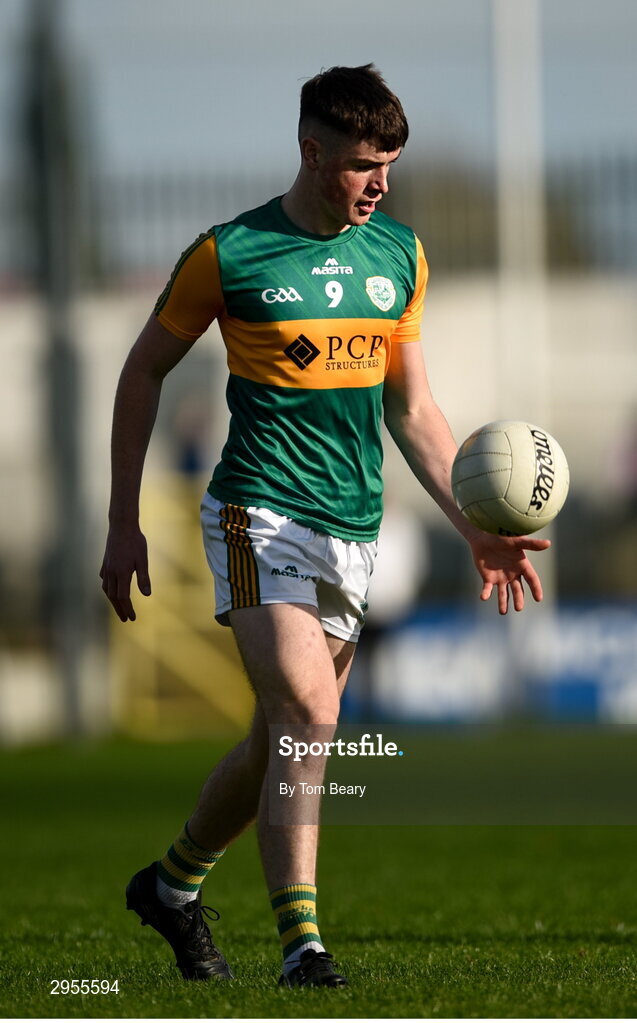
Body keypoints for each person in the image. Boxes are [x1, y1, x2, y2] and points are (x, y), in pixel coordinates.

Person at [100, 63, 550, 989]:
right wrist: (122, 521)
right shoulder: (229, 254)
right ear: (311, 152)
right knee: (311, 713)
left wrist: (473, 527)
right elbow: (140, 371)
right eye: (361, 165)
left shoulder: (400, 258)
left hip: (355, 526)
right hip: (255, 514)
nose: (379, 182)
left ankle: (172, 886)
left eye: (388, 162)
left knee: (280, 738)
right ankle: (303, 945)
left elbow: (413, 411)